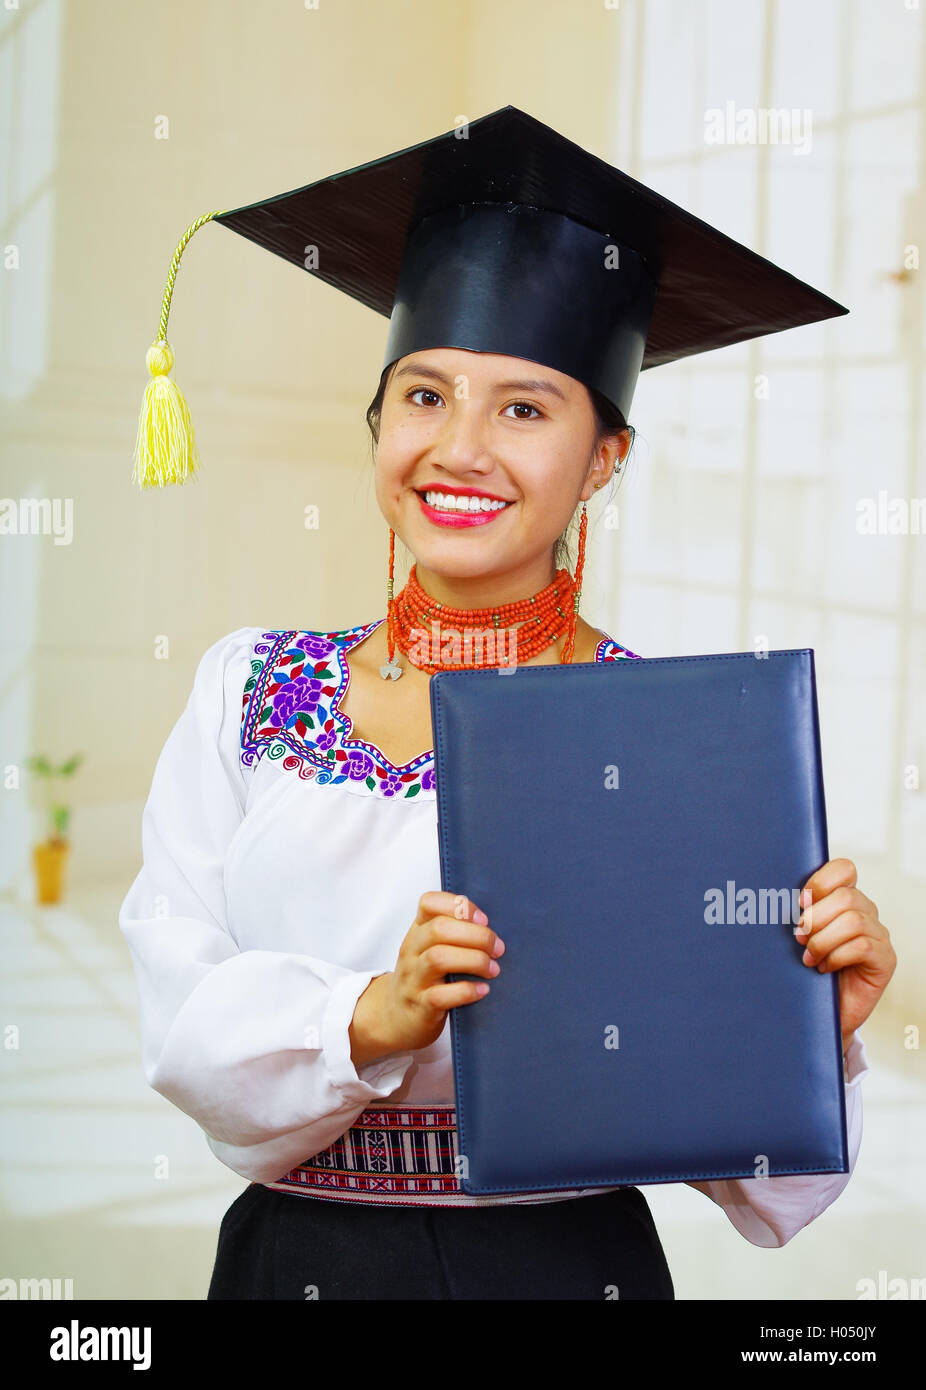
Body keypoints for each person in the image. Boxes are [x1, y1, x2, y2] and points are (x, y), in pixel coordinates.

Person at [120, 107, 897, 1300]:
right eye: (424, 396)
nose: (460, 449)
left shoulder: (683, 739)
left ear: (602, 458)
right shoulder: (248, 689)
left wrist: (809, 1025)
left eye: (525, 408)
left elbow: (765, 1189)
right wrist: (372, 1017)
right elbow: (179, 1019)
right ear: (378, 420)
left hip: (558, 1271)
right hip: (298, 1263)